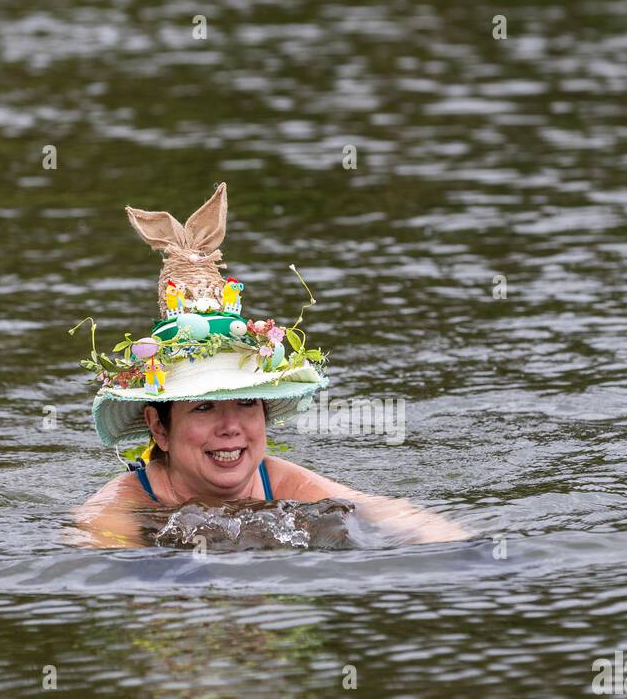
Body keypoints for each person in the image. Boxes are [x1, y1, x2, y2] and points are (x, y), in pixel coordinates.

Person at [70, 181, 467, 548]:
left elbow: (396, 517)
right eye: (204, 407)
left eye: (246, 403)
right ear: (160, 428)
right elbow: (92, 560)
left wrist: (472, 555)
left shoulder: (280, 480)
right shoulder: (121, 508)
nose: (231, 428)